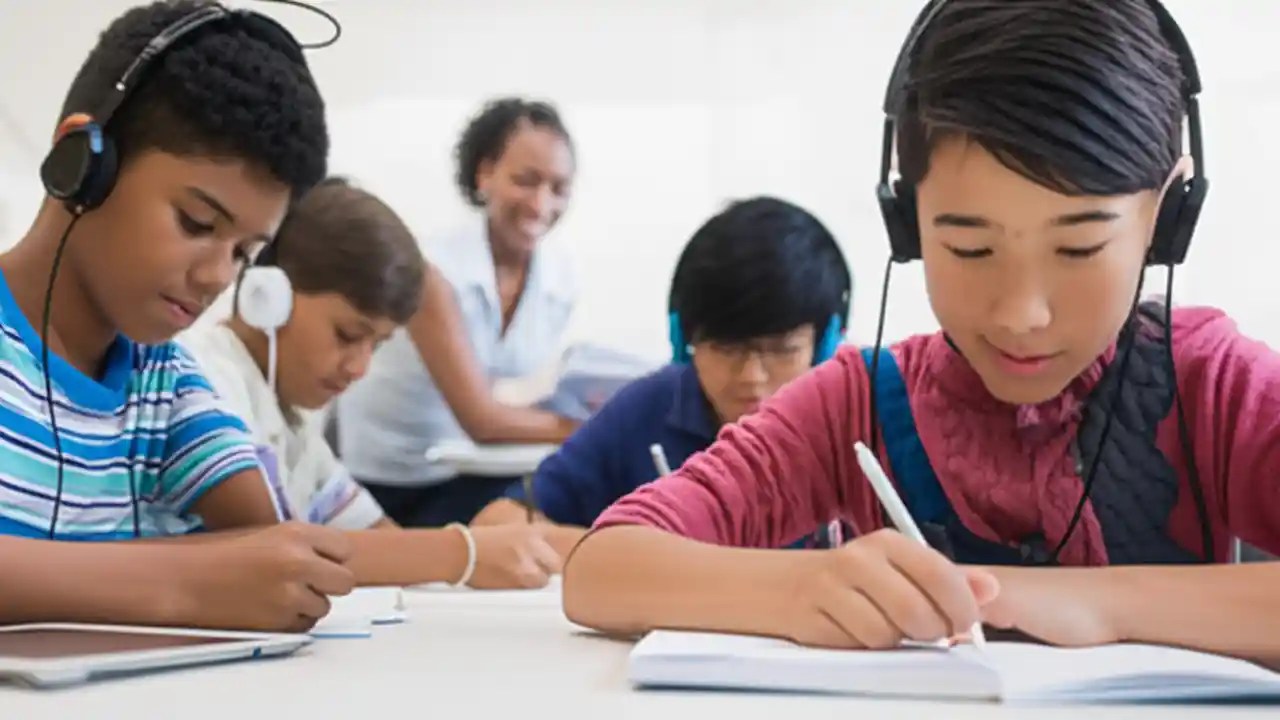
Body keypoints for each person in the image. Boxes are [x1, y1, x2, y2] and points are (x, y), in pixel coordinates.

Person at [562, 0, 1280, 663]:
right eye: (970, 249)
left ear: (1167, 217)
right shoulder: (859, 404)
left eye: (1078, 249)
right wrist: (795, 589)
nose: (1020, 314)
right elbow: (603, 569)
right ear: (906, 224)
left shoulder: (1215, 386)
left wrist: (1102, 604)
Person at [0, 0, 354, 630]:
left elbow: (275, 556)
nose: (219, 276)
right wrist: (183, 583)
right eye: (197, 223)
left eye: (244, 253)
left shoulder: (166, 382)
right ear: (84, 164)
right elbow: (228, 573)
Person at [181, 177, 562, 588]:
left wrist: (480, 558)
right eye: (347, 335)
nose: (360, 368)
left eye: (376, 346)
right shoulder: (206, 379)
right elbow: (278, 550)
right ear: (268, 296)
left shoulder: (293, 421)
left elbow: (379, 536)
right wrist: (462, 553)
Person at [472, 196, 853, 556]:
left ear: (825, 346)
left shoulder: (866, 416)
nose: (751, 375)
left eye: (781, 349)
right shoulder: (651, 408)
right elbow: (496, 524)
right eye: (725, 348)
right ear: (682, 338)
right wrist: (647, 561)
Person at [338, 97, 581, 527]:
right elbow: (482, 419)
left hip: (465, 469)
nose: (542, 203)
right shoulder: (433, 271)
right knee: (542, 527)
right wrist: (592, 426)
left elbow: (500, 398)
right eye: (526, 180)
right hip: (392, 486)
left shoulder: (558, 280)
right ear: (484, 174)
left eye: (558, 187)